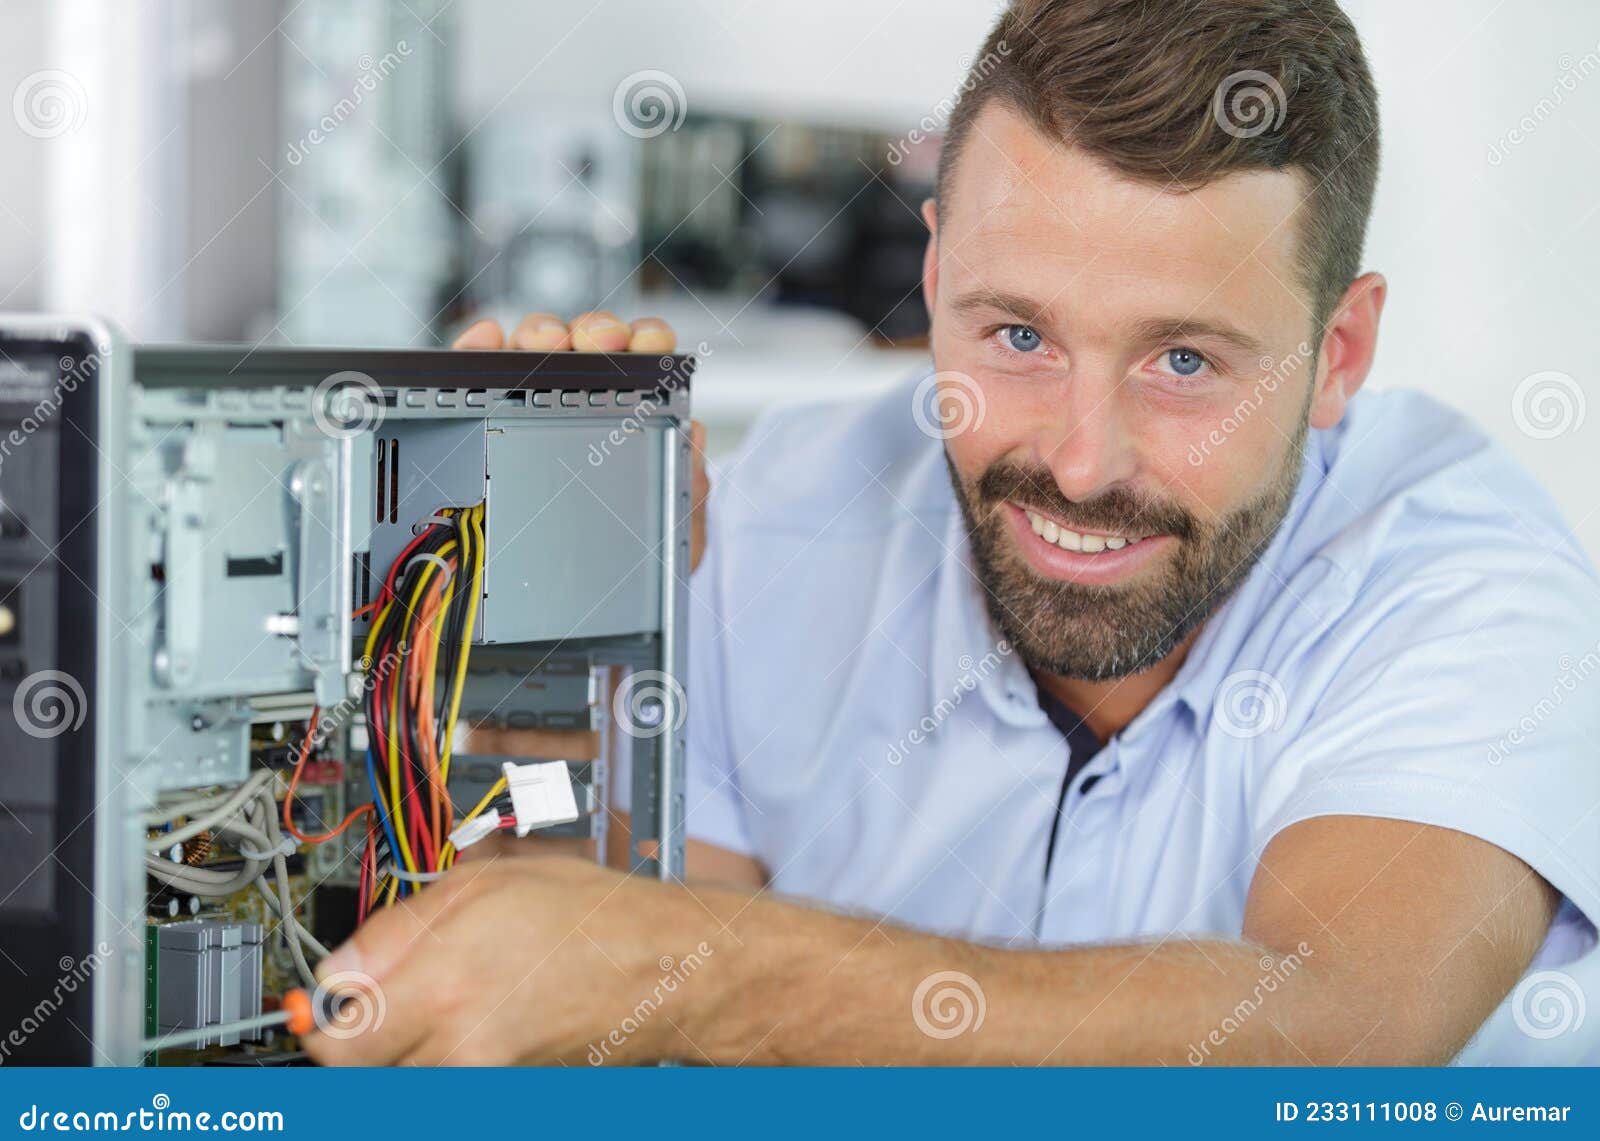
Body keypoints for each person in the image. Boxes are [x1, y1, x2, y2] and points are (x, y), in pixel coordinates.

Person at [306, 0, 1600, 1066]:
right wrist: (550, 658)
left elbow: (1341, 1031)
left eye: (1186, 362)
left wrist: (691, 971)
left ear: (1341, 352)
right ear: (933, 280)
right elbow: (616, 1021)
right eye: (1019, 336)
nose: (1081, 462)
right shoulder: (776, 522)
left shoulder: (1467, 590)